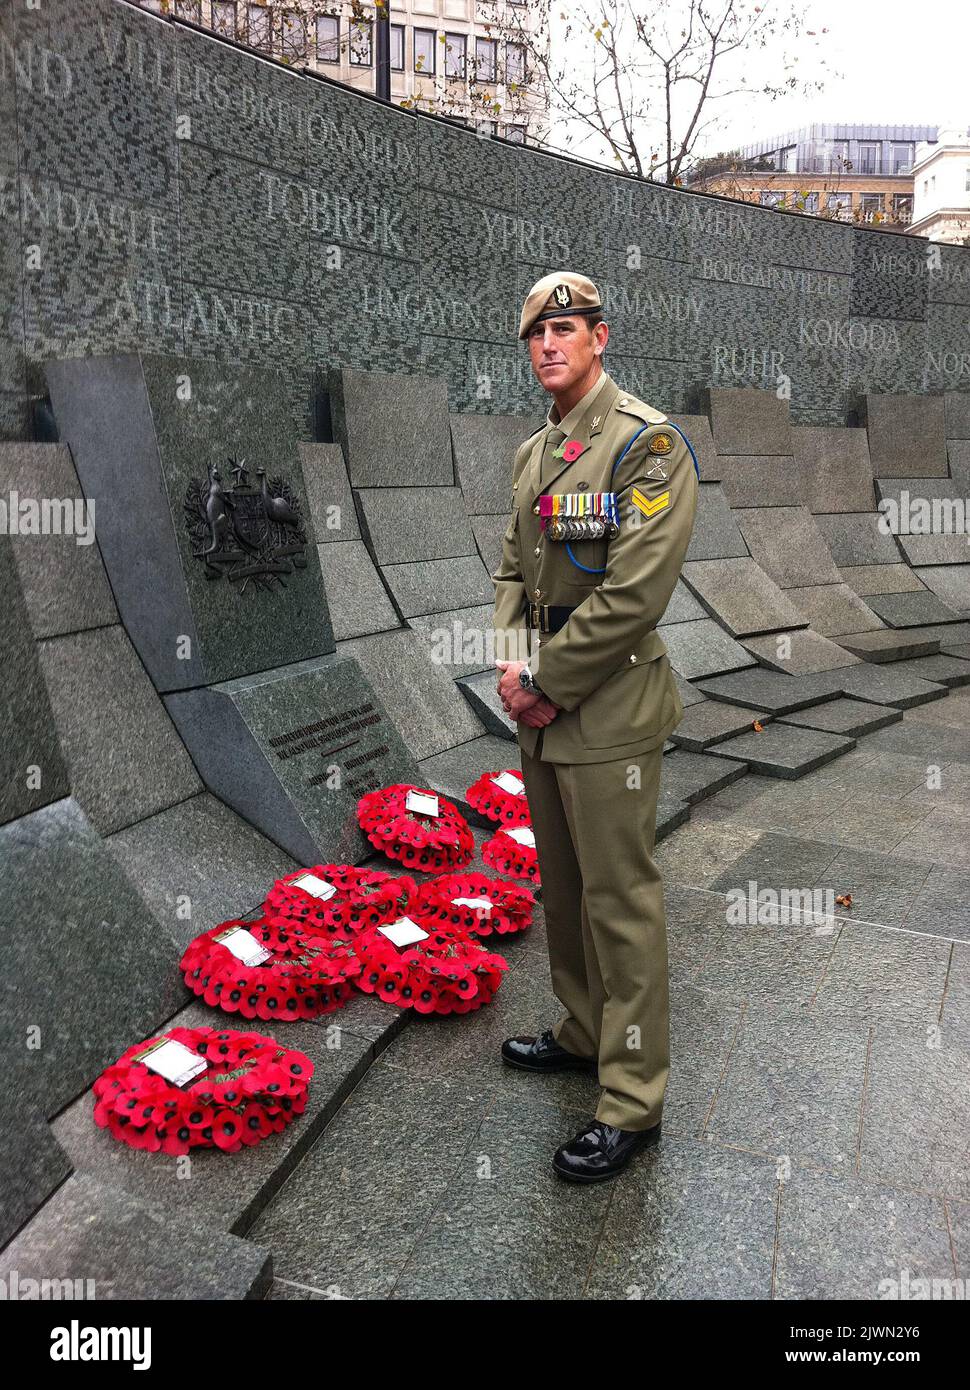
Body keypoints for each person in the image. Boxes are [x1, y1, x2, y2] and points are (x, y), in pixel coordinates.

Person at [492, 270, 699, 1183]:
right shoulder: (536, 451)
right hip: (542, 716)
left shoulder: (646, 447)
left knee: (620, 905)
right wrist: (510, 661)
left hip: (608, 713)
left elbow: (632, 595)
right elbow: (511, 569)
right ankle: (583, 1033)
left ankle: (632, 1100)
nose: (549, 345)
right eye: (537, 334)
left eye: (565, 328)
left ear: (600, 337)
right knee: (566, 895)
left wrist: (543, 678)